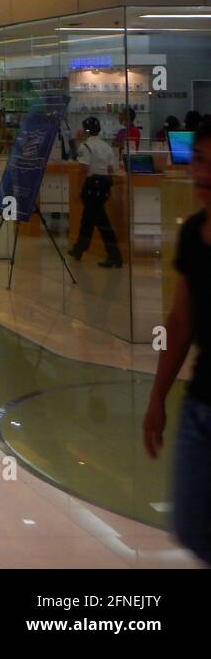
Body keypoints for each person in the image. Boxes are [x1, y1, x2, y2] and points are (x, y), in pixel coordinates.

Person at [144, 120, 211, 564]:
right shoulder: (193, 233)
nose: (202, 174)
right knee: (191, 526)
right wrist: (157, 398)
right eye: (199, 161)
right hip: (201, 404)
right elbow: (181, 321)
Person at [69, 115, 123, 268]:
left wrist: (78, 190)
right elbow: (111, 168)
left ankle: (114, 255)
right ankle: (79, 248)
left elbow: (83, 170)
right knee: (88, 219)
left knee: (101, 221)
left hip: (92, 185)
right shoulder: (106, 146)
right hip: (104, 184)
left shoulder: (85, 147)